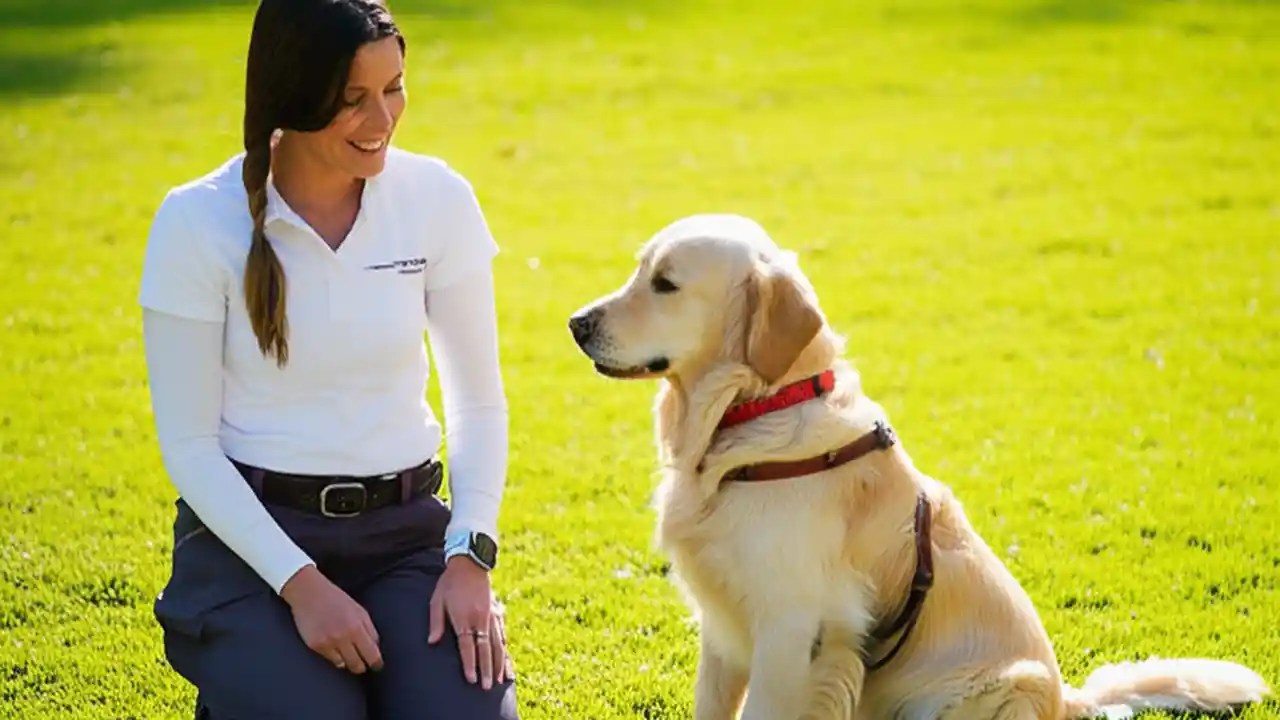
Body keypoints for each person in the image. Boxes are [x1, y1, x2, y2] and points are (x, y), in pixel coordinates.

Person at [138, 1, 517, 717]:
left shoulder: (437, 199)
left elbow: (478, 403)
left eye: (394, 88)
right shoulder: (195, 221)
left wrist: (470, 555)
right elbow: (190, 446)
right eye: (352, 101)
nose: (382, 120)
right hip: (253, 546)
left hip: (406, 539)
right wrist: (301, 585)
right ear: (293, 94)